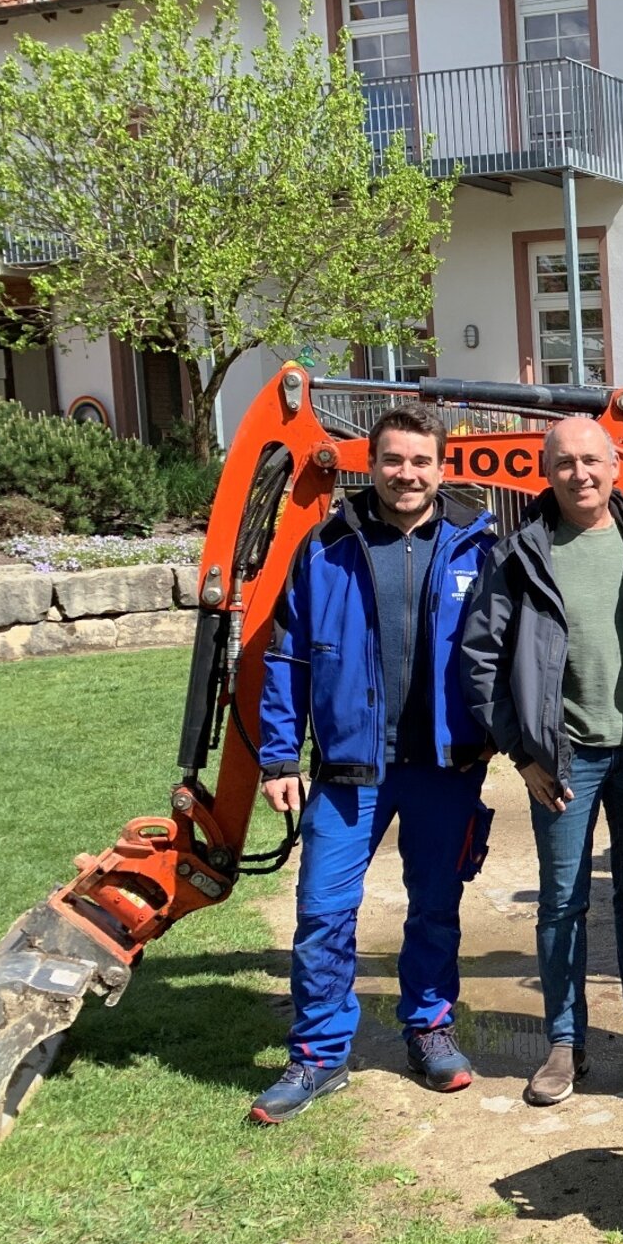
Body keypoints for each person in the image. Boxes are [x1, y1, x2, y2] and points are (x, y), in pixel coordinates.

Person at [251, 405, 496, 1122]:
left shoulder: (478, 546)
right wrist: (278, 757)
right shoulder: (327, 545)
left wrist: (503, 733)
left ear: (442, 468)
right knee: (323, 912)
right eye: (393, 459)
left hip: (444, 767)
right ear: (372, 463)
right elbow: (288, 656)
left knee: (435, 907)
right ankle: (319, 1053)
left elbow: (513, 650)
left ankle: (429, 1028)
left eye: (421, 461)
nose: (406, 474)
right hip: (348, 768)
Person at [462, 417, 623, 1107]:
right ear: (546, 472)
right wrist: (523, 755)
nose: (579, 473)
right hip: (563, 759)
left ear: (615, 466)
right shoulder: (519, 553)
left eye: (591, 460)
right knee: (562, 900)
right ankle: (564, 1040)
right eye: (564, 463)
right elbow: (478, 658)